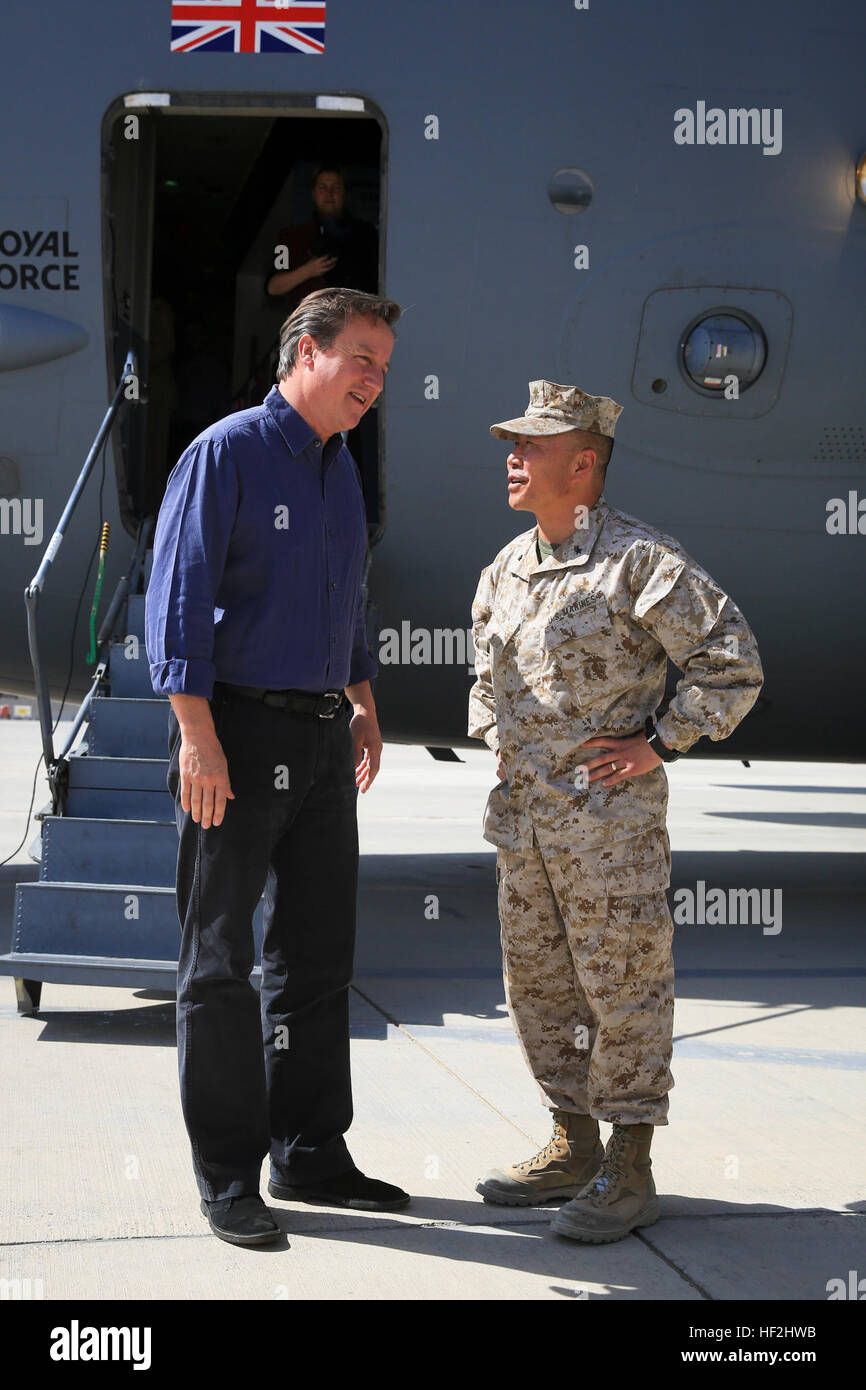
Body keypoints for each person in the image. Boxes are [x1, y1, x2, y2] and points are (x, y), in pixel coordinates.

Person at [468, 380, 763, 1243]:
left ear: (585, 462)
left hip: (609, 833)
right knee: (539, 988)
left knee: (624, 989)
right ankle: (571, 1142)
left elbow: (731, 663)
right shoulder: (508, 565)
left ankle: (630, 1167)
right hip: (523, 827)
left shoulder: (642, 563)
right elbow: (485, 669)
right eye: (512, 444)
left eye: (533, 445)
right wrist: (493, 730)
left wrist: (659, 743)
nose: (514, 458)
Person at [145, 287, 406, 1248]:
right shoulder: (228, 454)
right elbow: (179, 597)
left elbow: (348, 592)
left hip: (323, 735)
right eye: (361, 362)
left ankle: (309, 1150)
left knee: (317, 953)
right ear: (305, 353)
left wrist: (365, 700)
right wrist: (196, 733)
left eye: (384, 366)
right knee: (219, 961)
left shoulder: (339, 468)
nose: (376, 382)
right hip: (238, 736)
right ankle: (227, 1173)